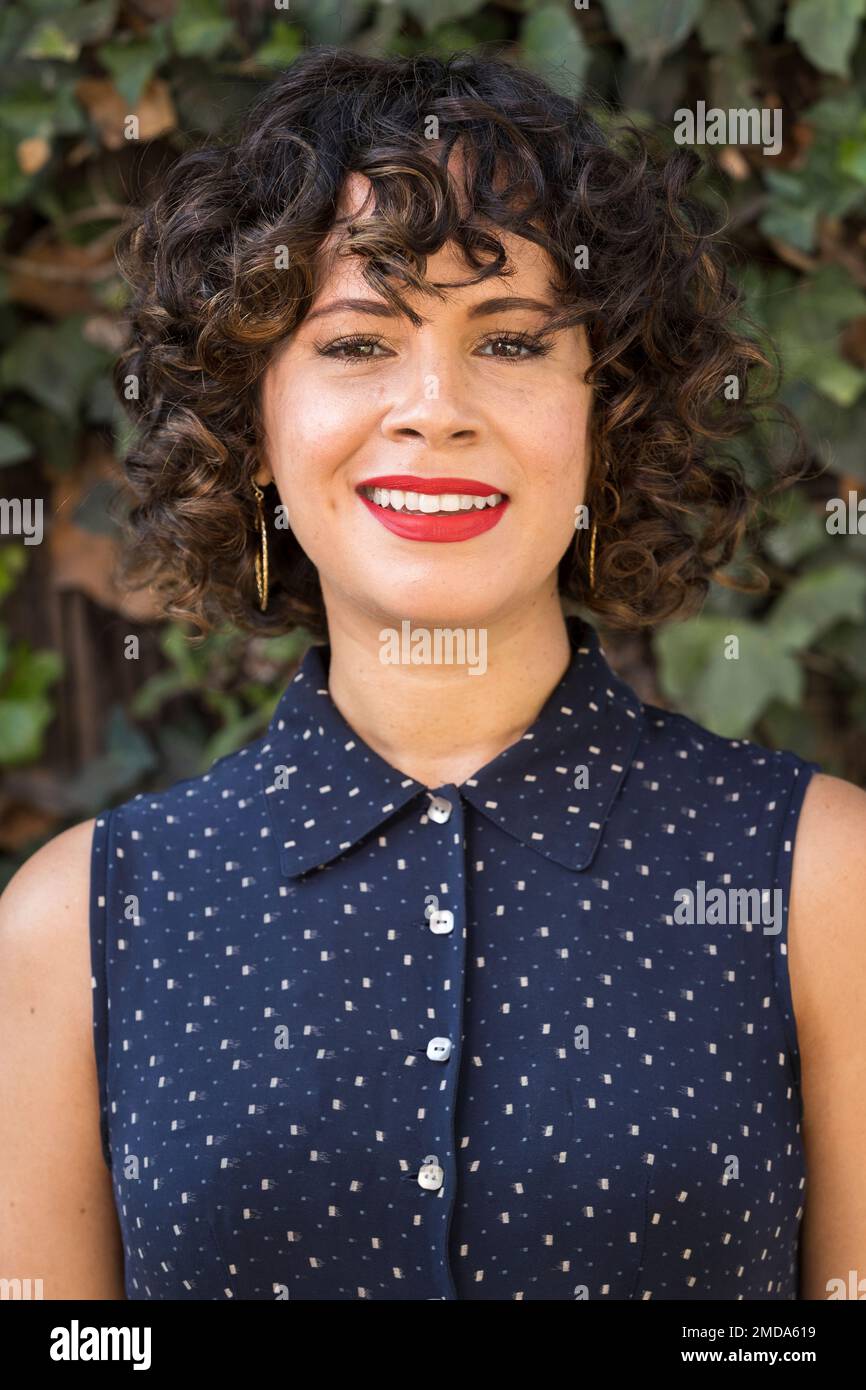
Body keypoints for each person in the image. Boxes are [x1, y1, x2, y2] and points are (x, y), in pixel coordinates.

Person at [1, 47, 864, 1302]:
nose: (433, 407)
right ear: (253, 425)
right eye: (355, 343)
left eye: (509, 341)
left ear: (603, 410)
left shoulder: (823, 879)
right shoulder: (73, 922)